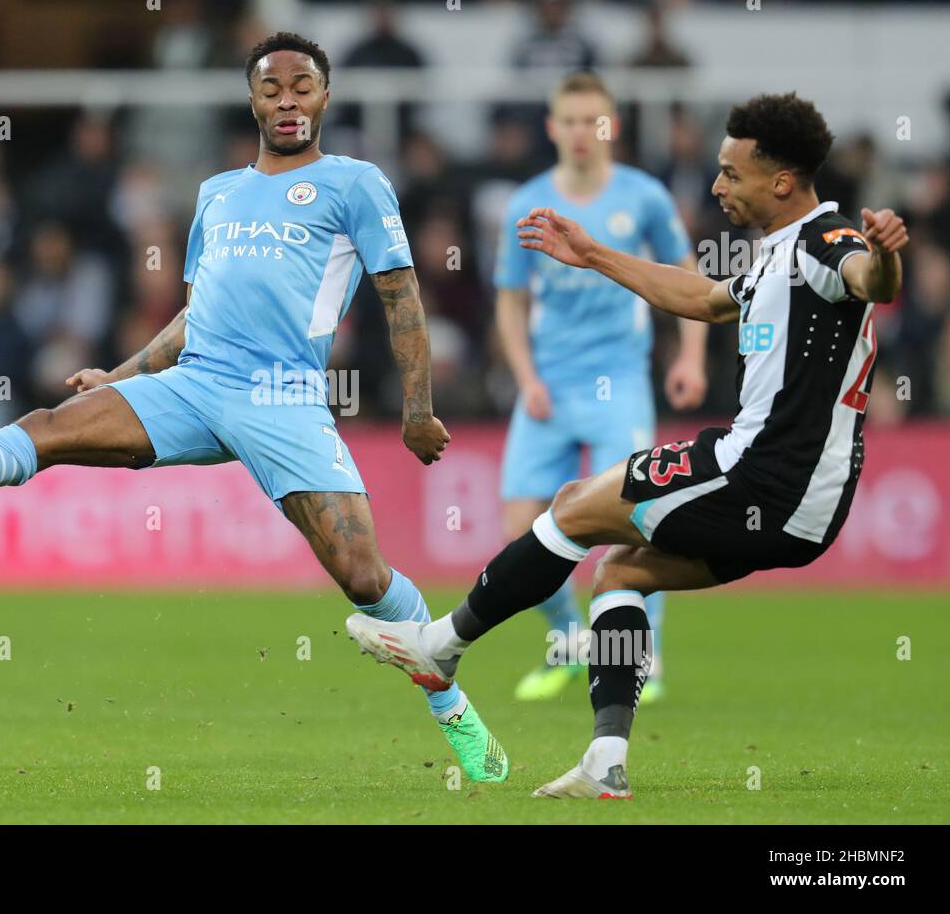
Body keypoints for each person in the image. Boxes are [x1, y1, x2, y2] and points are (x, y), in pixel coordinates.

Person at [0, 31, 508, 783]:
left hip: (283, 399)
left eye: (303, 85)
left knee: (364, 578)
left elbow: (402, 297)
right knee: (47, 430)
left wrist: (417, 409)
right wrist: (121, 373)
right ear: (253, 101)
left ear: (326, 96)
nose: (289, 100)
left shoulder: (356, 183)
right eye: (273, 88)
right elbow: (194, 315)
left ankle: (456, 714)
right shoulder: (218, 193)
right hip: (196, 383)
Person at [347, 92, 907, 798]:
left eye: (731, 173)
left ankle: (440, 647)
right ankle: (604, 761)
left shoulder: (830, 244)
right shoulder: (774, 257)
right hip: (800, 503)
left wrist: (884, 258)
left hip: (764, 477)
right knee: (619, 575)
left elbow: (869, 281)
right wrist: (593, 254)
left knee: (575, 506)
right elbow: (702, 298)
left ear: (783, 182)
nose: (716, 186)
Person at [495, 72, 706, 703]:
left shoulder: (643, 198)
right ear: (552, 127)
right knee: (519, 528)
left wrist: (691, 356)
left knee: (636, 524)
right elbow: (510, 301)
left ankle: (644, 658)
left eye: (595, 120)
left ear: (610, 127)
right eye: (571, 120)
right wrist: (525, 377)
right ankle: (568, 641)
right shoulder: (526, 204)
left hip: (621, 381)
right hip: (549, 390)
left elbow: (687, 276)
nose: (583, 132)